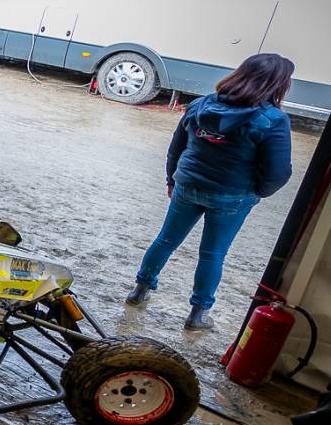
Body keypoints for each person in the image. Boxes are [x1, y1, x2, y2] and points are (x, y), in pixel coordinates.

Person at [126, 53, 295, 330]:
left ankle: (139, 292)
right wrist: (256, 192)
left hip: (188, 185)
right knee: (213, 254)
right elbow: (277, 172)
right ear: (277, 84)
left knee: (166, 240)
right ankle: (198, 315)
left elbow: (176, 148)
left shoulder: (200, 105)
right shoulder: (273, 120)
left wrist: (172, 179)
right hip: (231, 196)